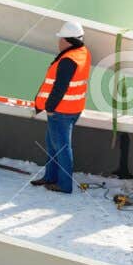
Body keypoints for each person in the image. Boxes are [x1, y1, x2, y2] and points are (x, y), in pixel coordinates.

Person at [30, 21, 90, 195]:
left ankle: (64, 184)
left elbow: (60, 87)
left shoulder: (68, 60)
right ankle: (50, 177)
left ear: (69, 41)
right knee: (52, 144)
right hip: (73, 108)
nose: (59, 42)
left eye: (61, 39)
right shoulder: (82, 53)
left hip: (61, 111)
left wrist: (49, 107)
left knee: (62, 147)